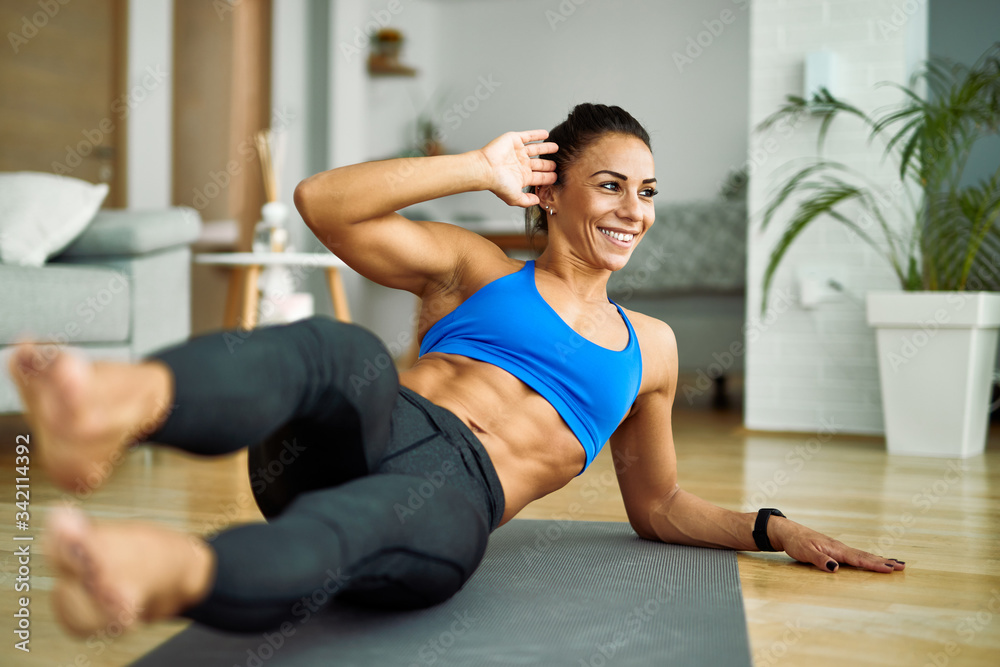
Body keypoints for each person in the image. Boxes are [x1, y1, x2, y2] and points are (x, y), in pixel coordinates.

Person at [11, 103, 904, 638]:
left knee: (354, 529)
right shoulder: (475, 268)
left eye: (647, 191)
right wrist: (477, 167)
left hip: (452, 499)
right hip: (368, 430)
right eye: (609, 185)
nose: (634, 211)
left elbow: (659, 505)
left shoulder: (654, 347)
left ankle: (155, 572)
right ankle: (110, 404)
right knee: (347, 349)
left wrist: (772, 527)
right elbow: (321, 202)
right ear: (549, 191)